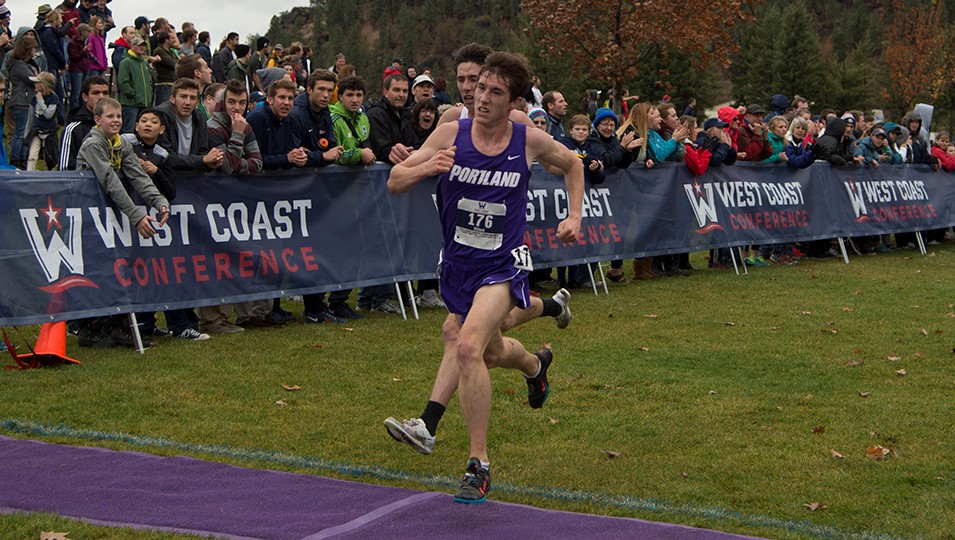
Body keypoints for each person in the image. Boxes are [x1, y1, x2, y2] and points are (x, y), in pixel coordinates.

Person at [385, 51, 583, 504]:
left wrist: (575, 215)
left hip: (503, 263)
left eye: (495, 91)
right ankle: (535, 366)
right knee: (491, 351)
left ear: (513, 102)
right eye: (478, 88)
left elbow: (572, 163)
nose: (482, 98)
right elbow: (395, 180)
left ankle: (478, 464)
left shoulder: (526, 138)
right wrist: (426, 168)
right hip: (459, 264)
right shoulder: (451, 132)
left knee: (466, 343)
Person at [59, 75, 108, 170]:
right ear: (85, 97)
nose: (101, 97)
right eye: (95, 93)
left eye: (105, 93)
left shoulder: (114, 125)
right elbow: (65, 169)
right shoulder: (73, 129)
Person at [6, 33, 40, 169]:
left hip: (22, 101)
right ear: (27, 49)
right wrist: (42, 78)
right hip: (21, 101)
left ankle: (20, 158)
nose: (34, 51)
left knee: (23, 132)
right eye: (33, 48)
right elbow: (32, 79)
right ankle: (15, 159)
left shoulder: (20, 65)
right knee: (20, 133)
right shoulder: (20, 66)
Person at [117, 34, 153, 134]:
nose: (142, 48)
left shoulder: (144, 62)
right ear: (132, 47)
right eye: (139, 45)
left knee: (141, 131)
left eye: (143, 45)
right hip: (131, 104)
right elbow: (123, 81)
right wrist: (133, 94)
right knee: (128, 131)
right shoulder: (126, 62)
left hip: (145, 103)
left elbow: (149, 80)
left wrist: (149, 95)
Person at [25, 71, 60, 170]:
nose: (35, 85)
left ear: (44, 85)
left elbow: (48, 115)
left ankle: (49, 175)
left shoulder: (54, 98)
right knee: (32, 156)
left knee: (50, 158)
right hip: (36, 131)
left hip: (49, 132)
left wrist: (41, 101)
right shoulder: (34, 98)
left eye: (37, 83)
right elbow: (31, 117)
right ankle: (29, 174)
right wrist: (27, 133)